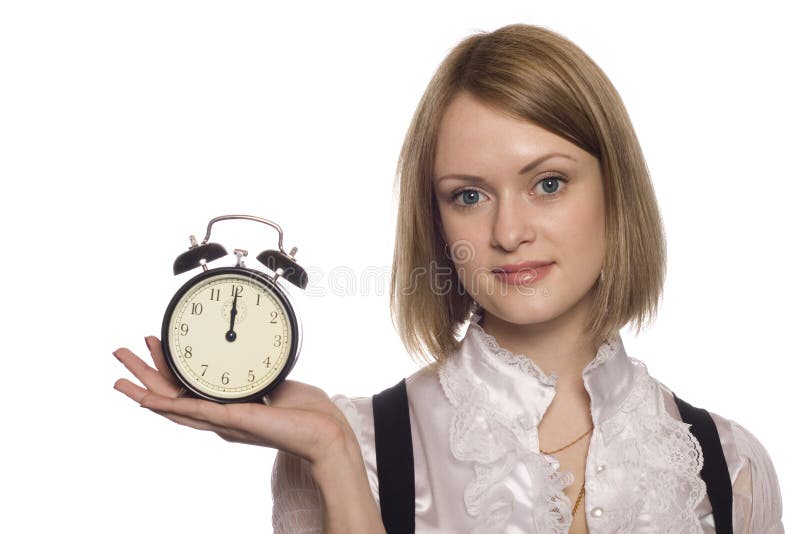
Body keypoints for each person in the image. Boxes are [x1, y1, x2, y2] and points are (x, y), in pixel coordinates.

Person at [113, 24, 784, 533]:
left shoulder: (730, 468)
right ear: (435, 220)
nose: (509, 232)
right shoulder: (360, 449)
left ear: (616, 193)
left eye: (548, 183)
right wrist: (338, 463)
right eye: (469, 195)